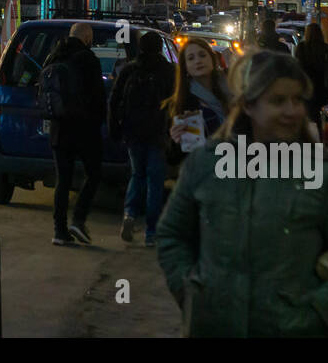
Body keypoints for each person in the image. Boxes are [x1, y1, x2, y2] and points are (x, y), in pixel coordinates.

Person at [155, 49, 328, 337]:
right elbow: (172, 234)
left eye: (297, 100)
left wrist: (318, 312)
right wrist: (192, 294)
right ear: (248, 105)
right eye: (277, 100)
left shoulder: (323, 173)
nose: (292, 110)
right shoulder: (207, 163)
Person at [107, 31, 176, 246]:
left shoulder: (130, 69)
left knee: (137, 175)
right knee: (155, 181)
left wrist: (115, 128)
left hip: (132, 132)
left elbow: (114, 100)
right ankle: (151, 232)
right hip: (158, 133)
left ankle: (129, 214)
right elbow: (176, 101)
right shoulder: (168, 71)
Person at [43, 22, 105, 246]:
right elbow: (98, 96)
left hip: (59, 129)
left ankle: (59, 231)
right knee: (94, 174)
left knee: (63, 180)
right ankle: (78, 219)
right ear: (87, 38)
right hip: (85, 128)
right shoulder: (88, 59)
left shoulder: (54, 56)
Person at [166, 37, 230, 155]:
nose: (197, 61)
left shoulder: (232, 88)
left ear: (212, 58)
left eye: (202, 55)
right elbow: (175, 157)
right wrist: (175, 140)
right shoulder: (182, 102)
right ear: (185, 67)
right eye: (191, 58)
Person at [293, 22, 328, 123]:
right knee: (323, 115)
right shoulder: (325, 48)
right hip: (322, 86)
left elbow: (296, 66)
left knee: (308, 114)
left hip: (306, 85)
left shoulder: (301, 47)